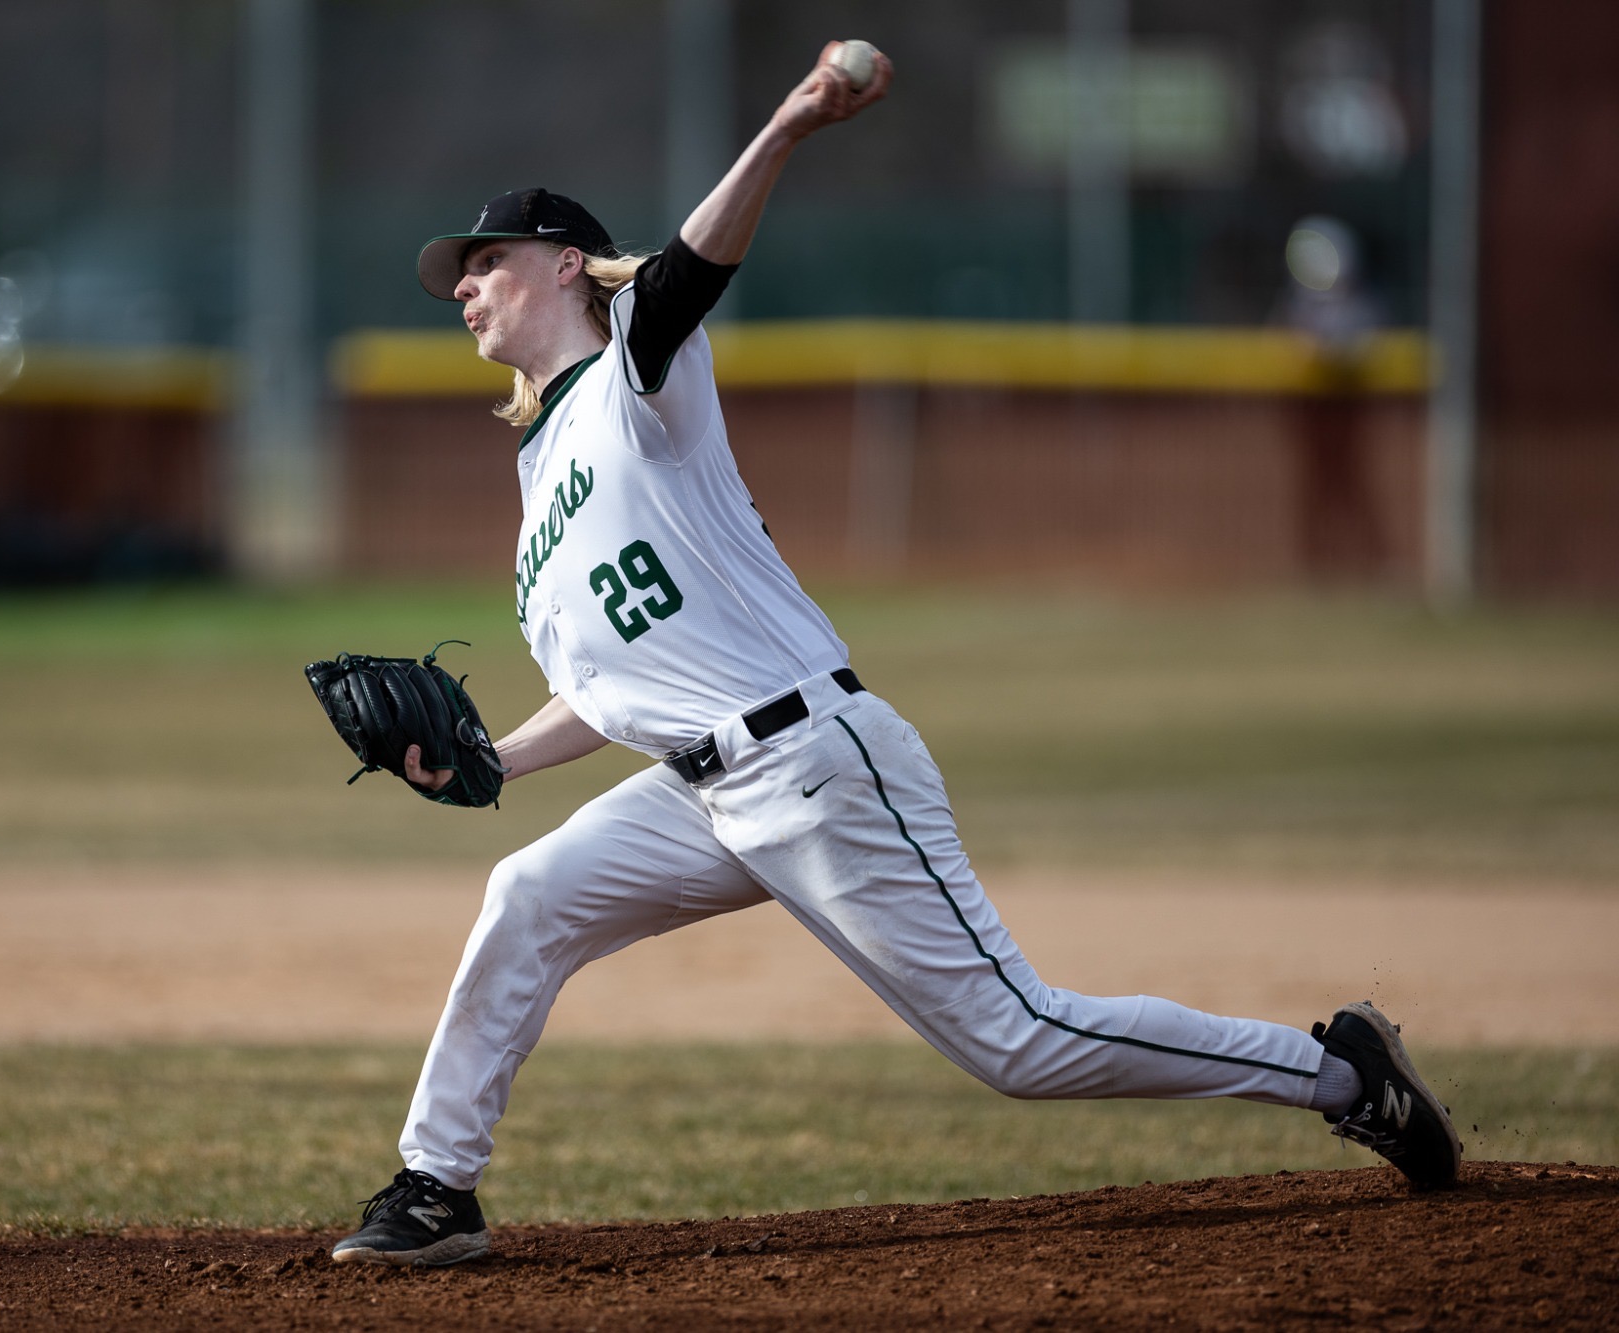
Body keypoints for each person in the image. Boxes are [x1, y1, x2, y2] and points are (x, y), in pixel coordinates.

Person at [330, 43, 1460, 1268]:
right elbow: (612, 691)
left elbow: (688, 269)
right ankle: (435, 1186)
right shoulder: (536, 477)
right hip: (698, 791)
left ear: (564, 265)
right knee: (527, 895)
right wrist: (492, 759)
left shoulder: (635, 384)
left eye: (484, 260)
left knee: (1018, 1041)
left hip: (811, 761)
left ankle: (1341, 1075)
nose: (463, 285)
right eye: (458, 274)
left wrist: (789, 122)